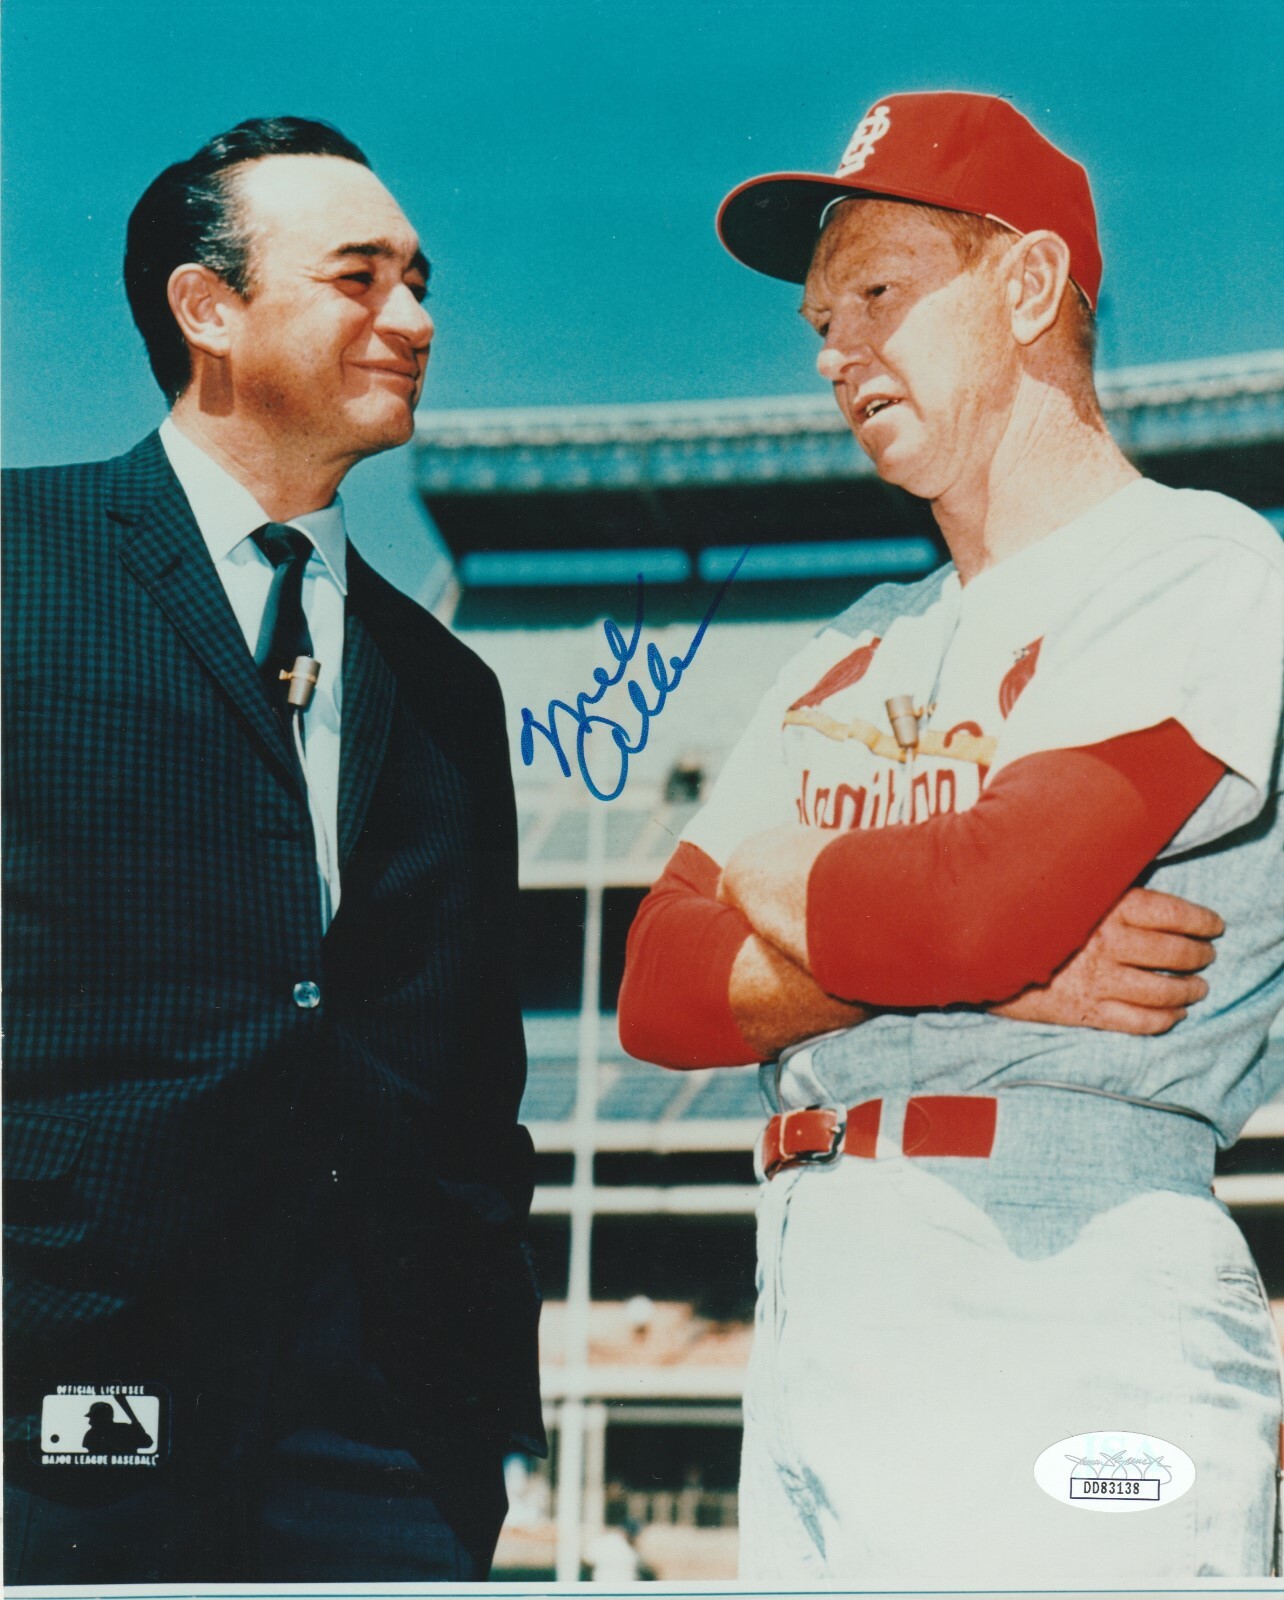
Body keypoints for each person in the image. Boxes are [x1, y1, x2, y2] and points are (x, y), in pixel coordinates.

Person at [619, 91, 1284, 1583]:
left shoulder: (1195, 567)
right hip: (811, 1294)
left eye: (878, 292)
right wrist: (978, 971)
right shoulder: (848, 647)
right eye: (817, 320)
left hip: (1060, 1265)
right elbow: (659, 987)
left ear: (1034, 285)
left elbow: (973, 912)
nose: (834, 350)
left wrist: (793, 888)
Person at [3, 116, 542, 1583]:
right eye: (361, 277)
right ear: (208, 310)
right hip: (70, 1385)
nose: (416, 319)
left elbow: (469, 1065)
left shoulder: (448, 688)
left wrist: (482, 1389)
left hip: (393, 1421)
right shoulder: (18, 564)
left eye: (421, 280)